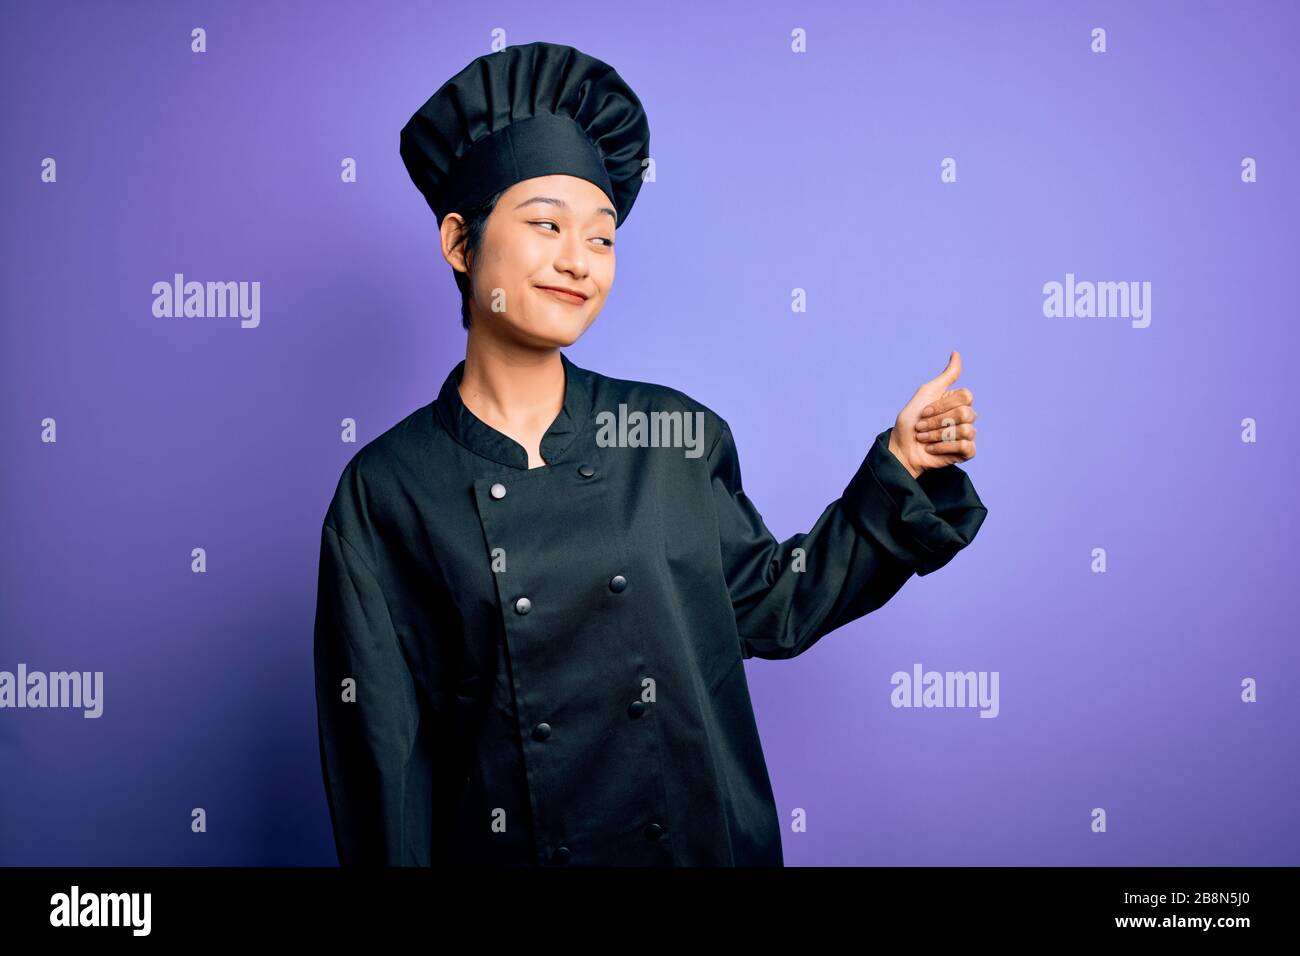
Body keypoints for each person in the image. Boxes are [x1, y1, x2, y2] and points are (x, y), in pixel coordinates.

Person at [313, 40, 988, 867]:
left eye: (601, 238)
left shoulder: (671, 435)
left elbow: (777, 606)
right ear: (460, 243)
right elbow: (384, 762)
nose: (577, 261)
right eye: (546, 225)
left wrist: (898, 466)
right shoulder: (386, 491)